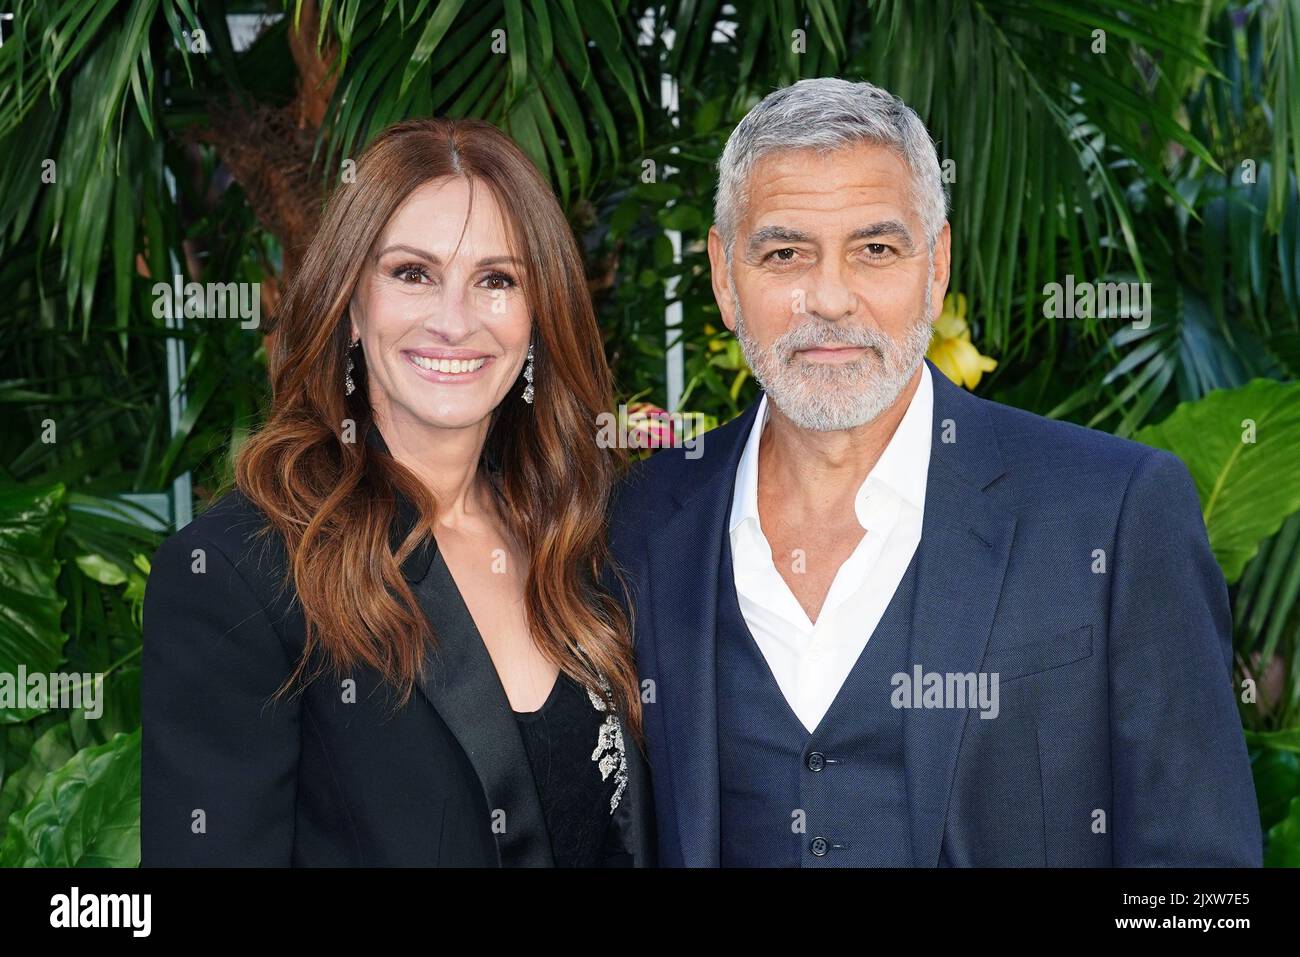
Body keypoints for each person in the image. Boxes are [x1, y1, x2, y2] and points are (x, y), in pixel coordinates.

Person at [609, 77, 1262, 867]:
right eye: (785, 253)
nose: (830, 298)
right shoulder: (637, 522)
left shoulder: (1112, 512)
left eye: (875, 249)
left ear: (938, 262)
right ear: (724, 275)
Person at [142, 118, 652, 867]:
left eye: (497, 279)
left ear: (538, 317)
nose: (454, 321)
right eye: (413, 273)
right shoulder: (240, 576)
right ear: (351, 304)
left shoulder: (578, 533)